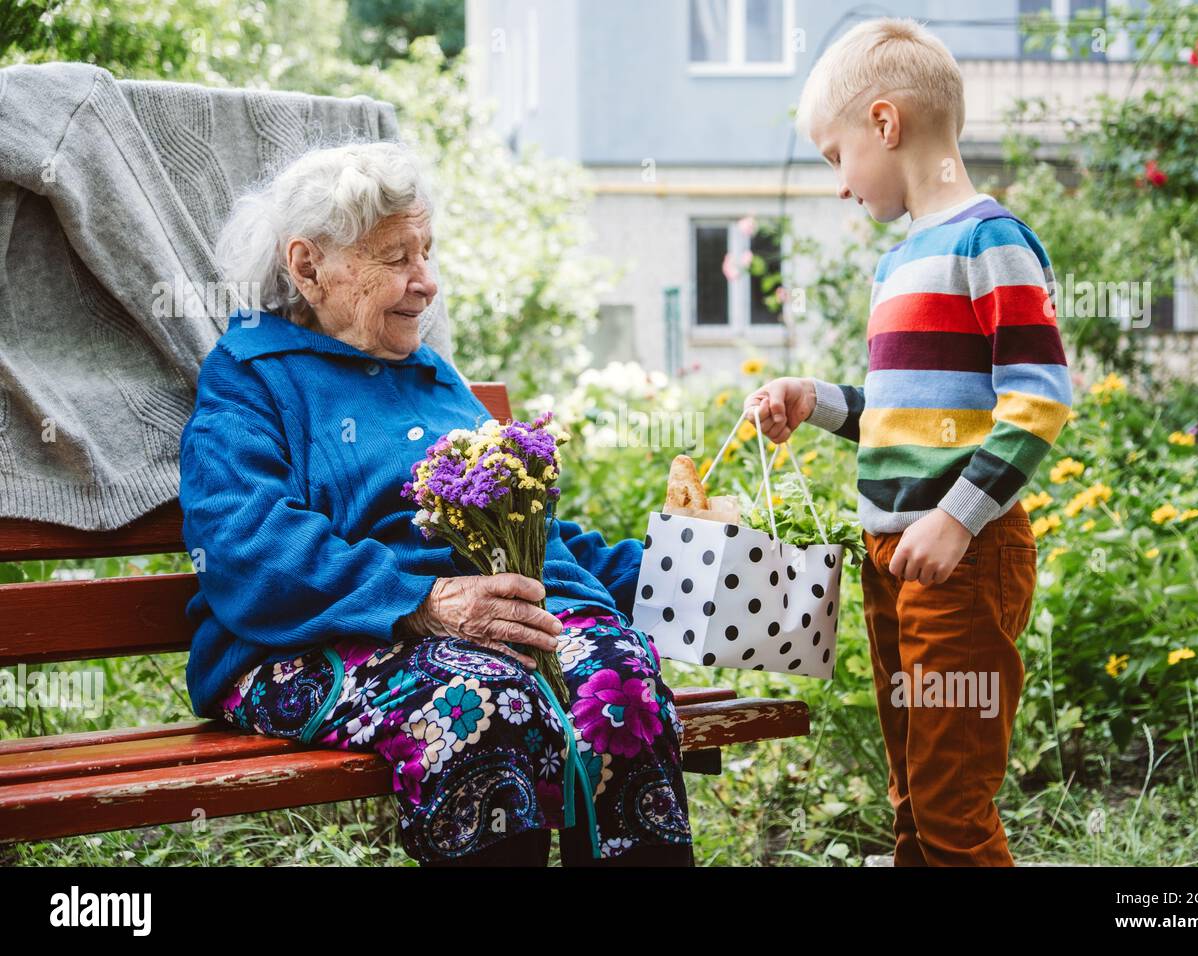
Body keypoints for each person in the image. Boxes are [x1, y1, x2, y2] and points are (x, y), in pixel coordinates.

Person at [180, 140, 693, 866]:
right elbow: (246, 545)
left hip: (489, 631)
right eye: (396, 259)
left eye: (427, 252)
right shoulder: (250, 378)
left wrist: (688, 573)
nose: (426, 282)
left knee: (616, 684)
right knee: (481, 705)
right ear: (307, 266)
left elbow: (527, 532)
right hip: (316, 645)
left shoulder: (427, 373)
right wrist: (420, 601)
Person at [744, 18, 1072, 866]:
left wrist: (959, 518)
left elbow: (1039, 400)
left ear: (885, 125)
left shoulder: (988, 242)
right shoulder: (898, 263)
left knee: (952, 799)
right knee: (911, 791)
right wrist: (812, 400)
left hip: (961, 557)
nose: (840, 185)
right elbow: (899, 412)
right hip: (892, 560)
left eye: (835, 156)